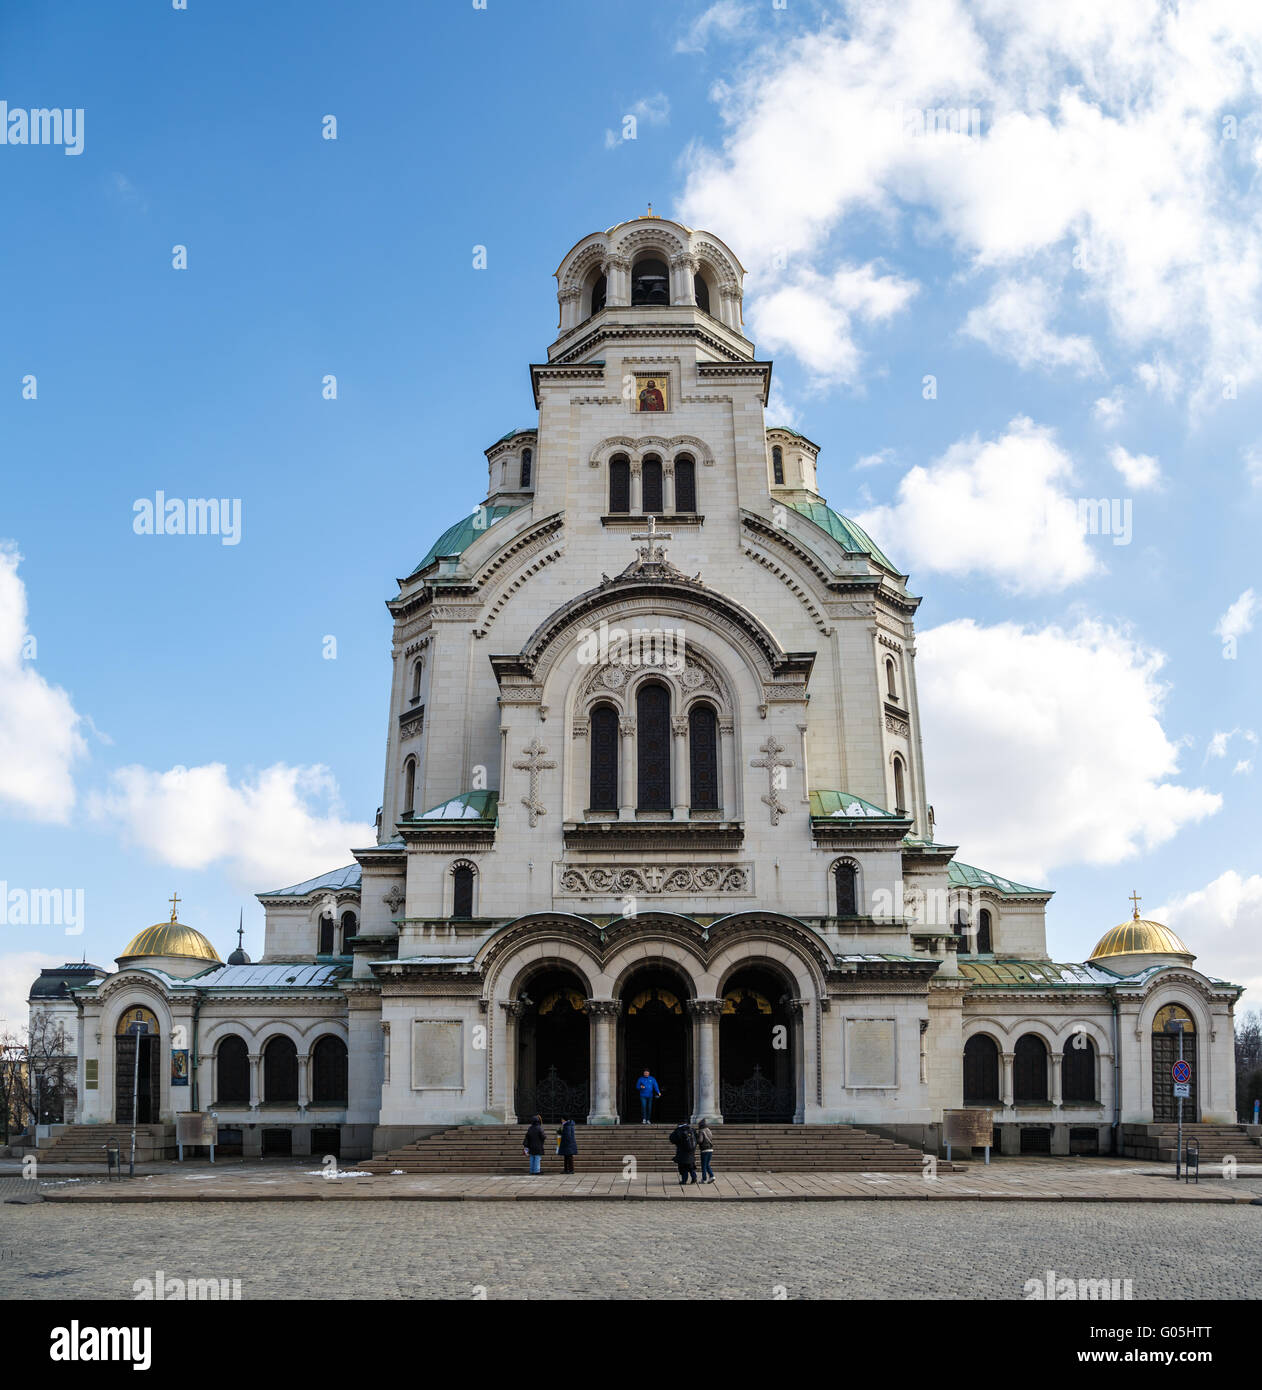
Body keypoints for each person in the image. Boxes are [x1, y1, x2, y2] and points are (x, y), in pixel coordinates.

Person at [668, 1119, 698, 1185]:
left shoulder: (678, 1130)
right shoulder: (692, 1129)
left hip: (682, 1152)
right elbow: (697, 1139)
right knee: (691, 1166)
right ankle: (694, 1178)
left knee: (683, 1167)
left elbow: (672, 1139)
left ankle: (684, 1180)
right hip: (691, 1152)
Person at [696, 1117, 715, 1183]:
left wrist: (697, 1139)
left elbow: (700, 1140)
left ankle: (704, 1179)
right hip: (710, 1149)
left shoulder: (701, 1131)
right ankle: (712, 1176)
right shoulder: (708, 1130)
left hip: (704, 1150)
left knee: (703, 1165)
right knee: (707, 1164)